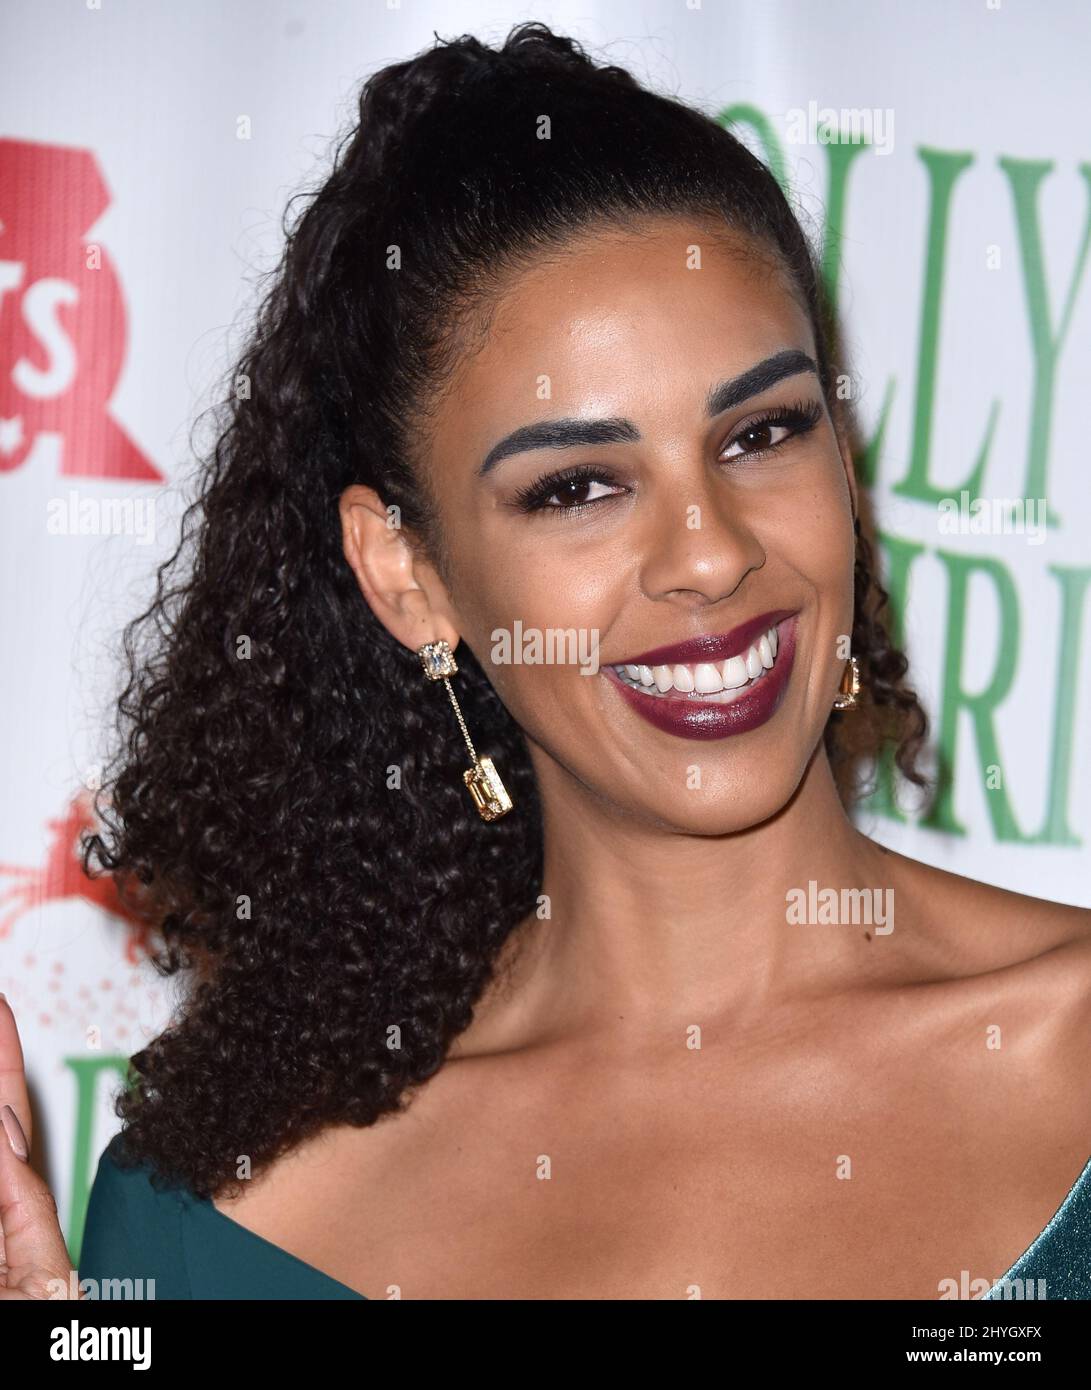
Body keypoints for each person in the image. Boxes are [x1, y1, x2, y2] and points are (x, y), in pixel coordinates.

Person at [2, 20, 1089, 1303]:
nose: (708, 553)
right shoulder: (216, 1213)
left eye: (760, 433)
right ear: (407, 575)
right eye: (578, 485)